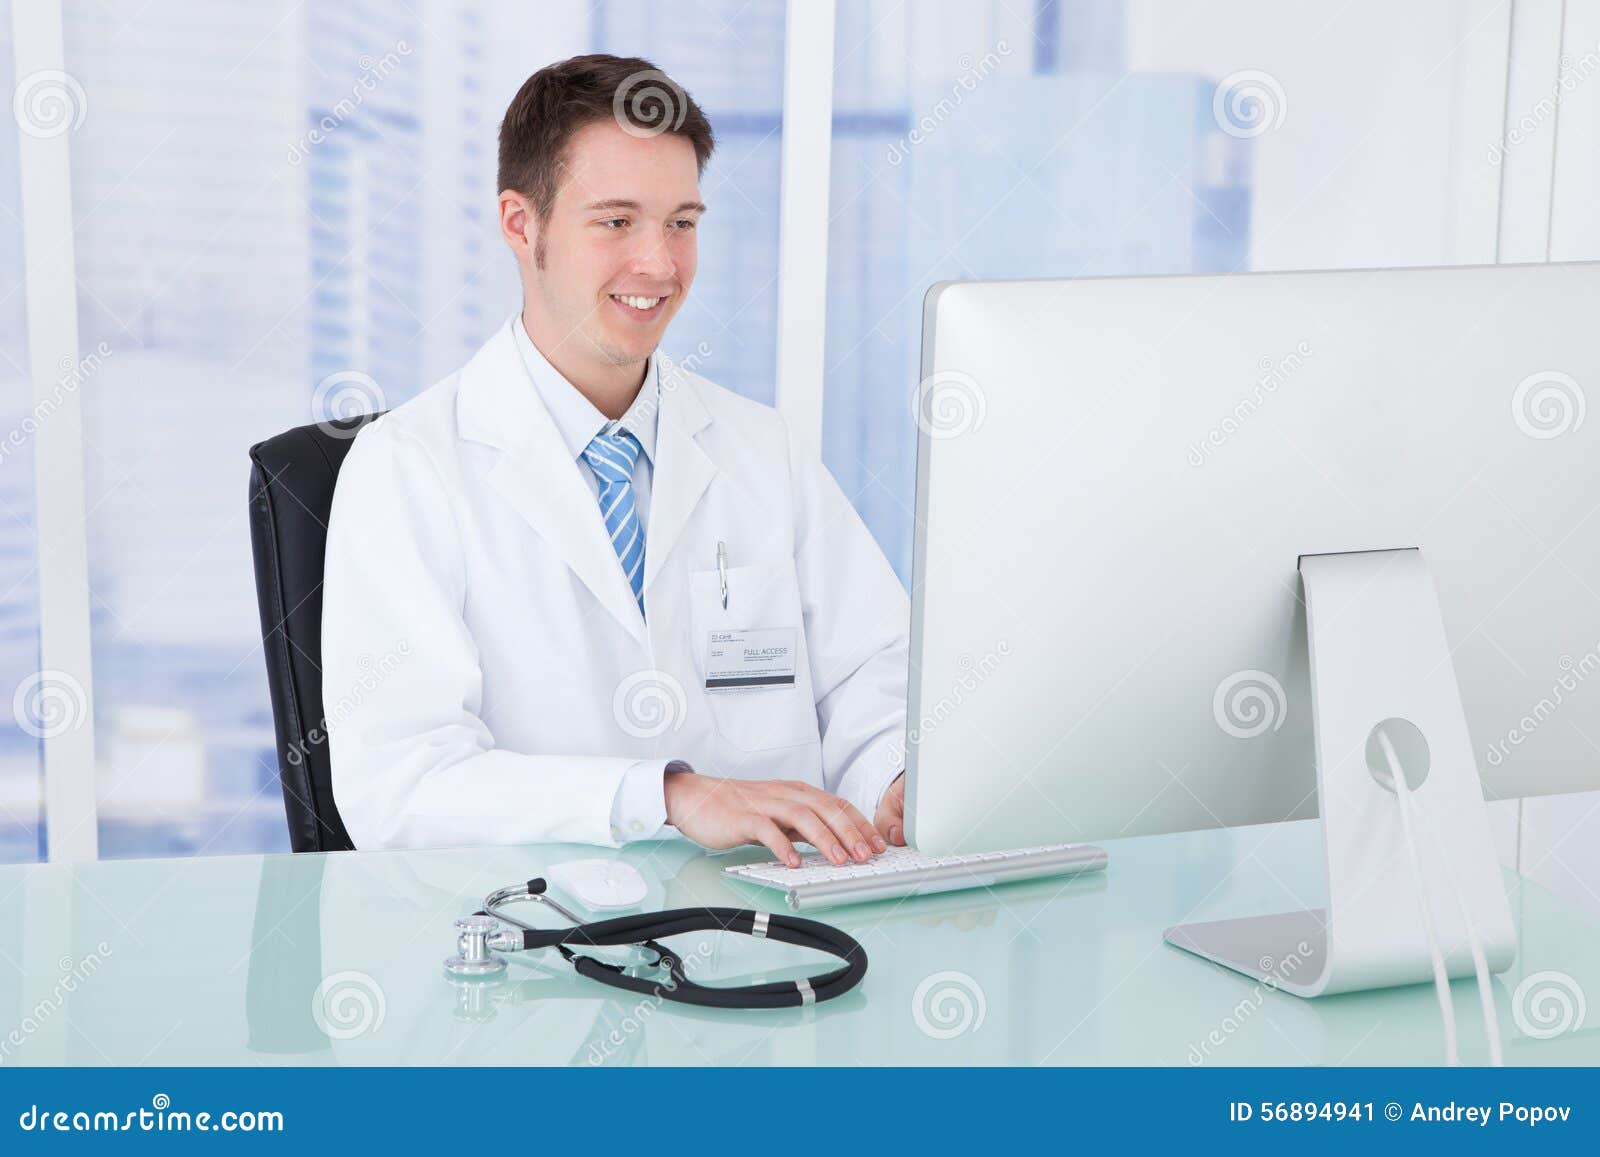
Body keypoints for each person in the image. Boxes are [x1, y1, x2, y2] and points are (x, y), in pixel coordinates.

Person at [322, 54, 910, 869]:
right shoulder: (408, 469)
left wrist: (895, 776)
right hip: (537, 953)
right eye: (616, 221)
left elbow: (872, 677)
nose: (660, 264)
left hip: (778, 933)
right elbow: (402, 785)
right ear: (521, 225)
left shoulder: (759, 448)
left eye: (682, 221)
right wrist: (662, 796)